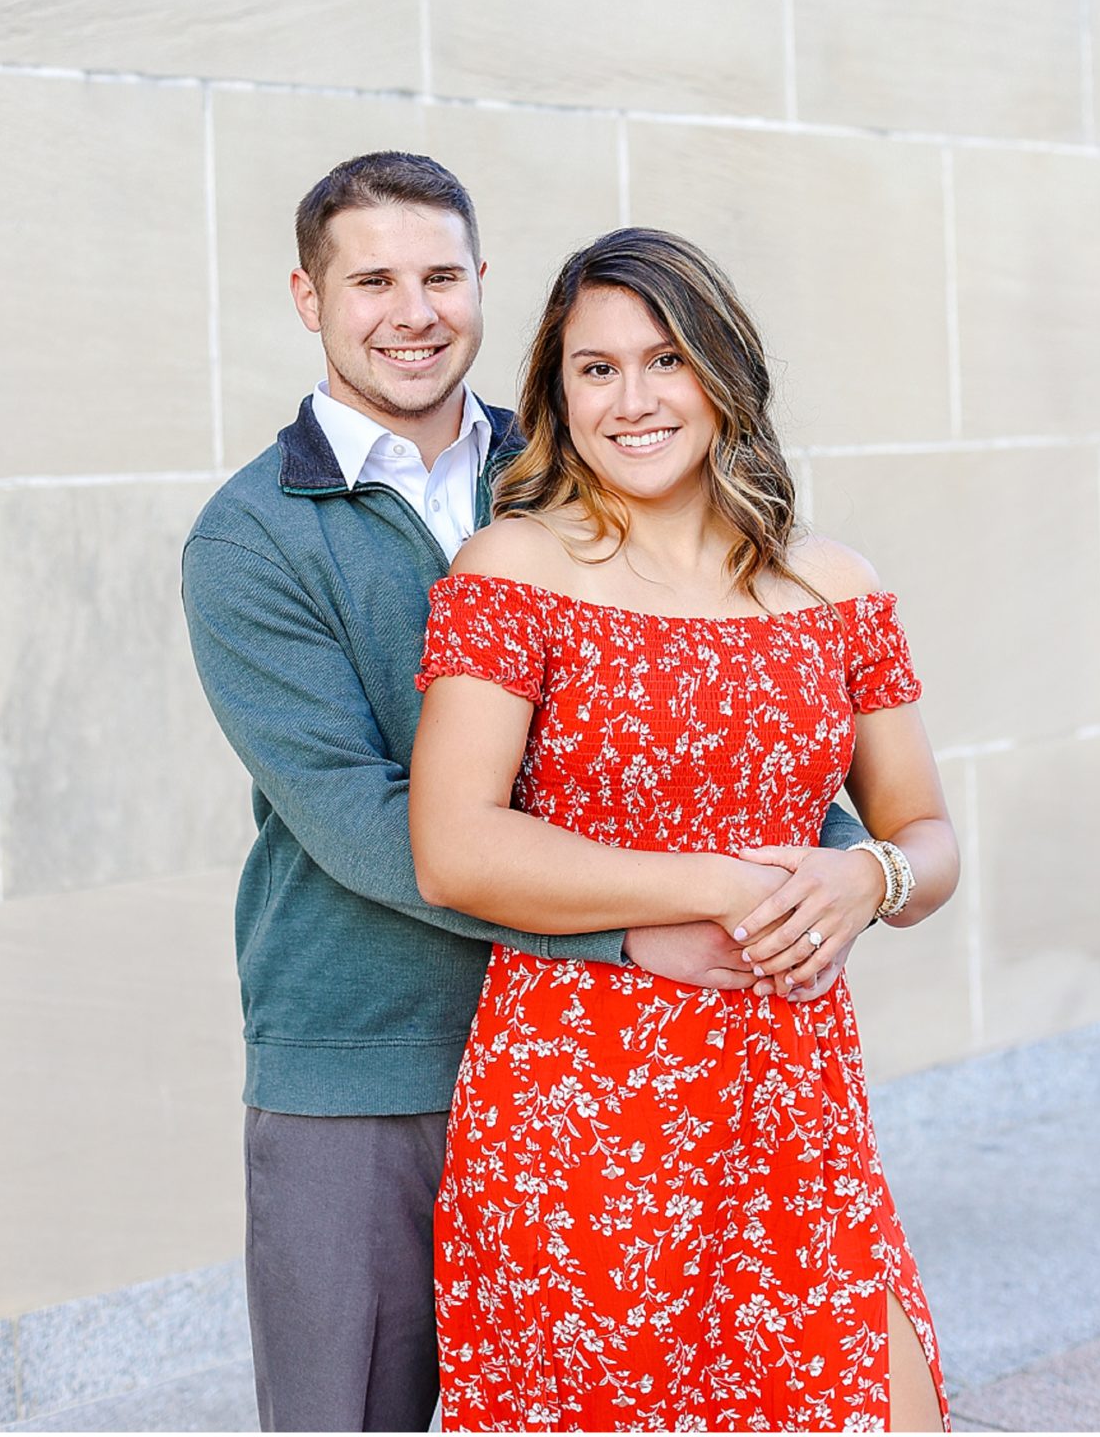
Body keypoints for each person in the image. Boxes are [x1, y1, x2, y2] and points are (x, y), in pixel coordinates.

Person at [181, 153, 874, 1434]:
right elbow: (353, 814)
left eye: (442, 274)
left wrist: (840, 860)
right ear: (306, 294)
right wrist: (626, 928)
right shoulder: (253, 535)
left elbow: (727, 703)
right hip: (371, 1055)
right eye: (372, 279)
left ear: (484, 285)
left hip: (603, 1057)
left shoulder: (578, 466)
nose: (413, 309)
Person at [410, 225, 958, 1433]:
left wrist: (868, 877)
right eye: (595, 368)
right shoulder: (515, 569)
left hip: (792, 1097)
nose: (633, 399)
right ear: (557, 391)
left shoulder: (836, 586)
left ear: (724, 373)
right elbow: (455, 848)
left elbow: (925, 832)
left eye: (664, 359)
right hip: (581, 1105)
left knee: (879, 1405)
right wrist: (720, 881)